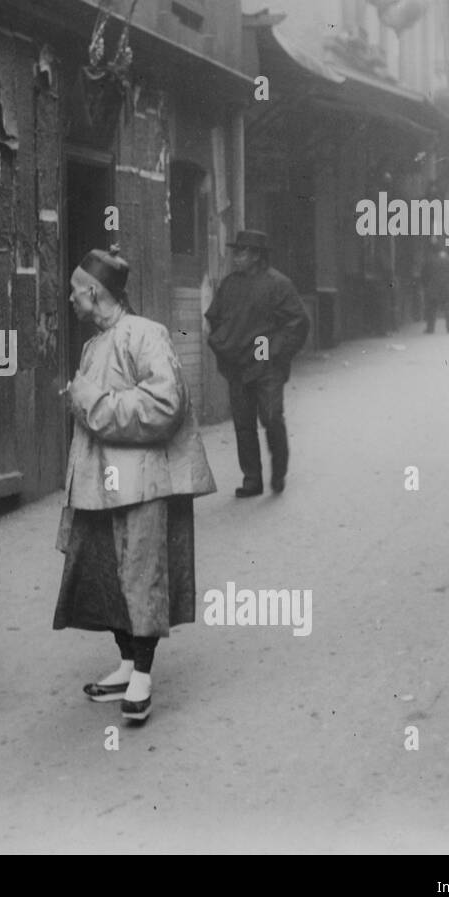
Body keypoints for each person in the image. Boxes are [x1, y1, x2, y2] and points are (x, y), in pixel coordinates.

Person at [54, 247, 216, 724]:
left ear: (92, 291)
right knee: (106, 572)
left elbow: (166, 407)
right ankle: (126, 663)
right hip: (98, 484)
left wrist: (92, 403)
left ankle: (143, 674)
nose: (69, 299)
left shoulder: (147, 334)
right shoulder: (93, 345)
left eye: (73, 291)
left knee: (142, 574)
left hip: (141, 484)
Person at [205, 229, 310, 497]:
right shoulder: (230, 284)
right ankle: (252, 479)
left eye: (241, 253)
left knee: (272, 418)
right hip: (238, 365)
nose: (236, 258)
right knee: (243, 424)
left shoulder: (278, 284)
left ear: (255, 256)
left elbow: (298, 322)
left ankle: (278, 472)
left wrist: (274, 351)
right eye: (236, 253)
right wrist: (223, 343)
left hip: (267, 366)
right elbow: (215, 317)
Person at [421, 242, 449, 334]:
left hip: (433, 287)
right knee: (448, 308)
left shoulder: (429, 260)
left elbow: (424, 275)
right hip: (447, 288)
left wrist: (425, 286)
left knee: (432, 308)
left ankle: (430, 328)